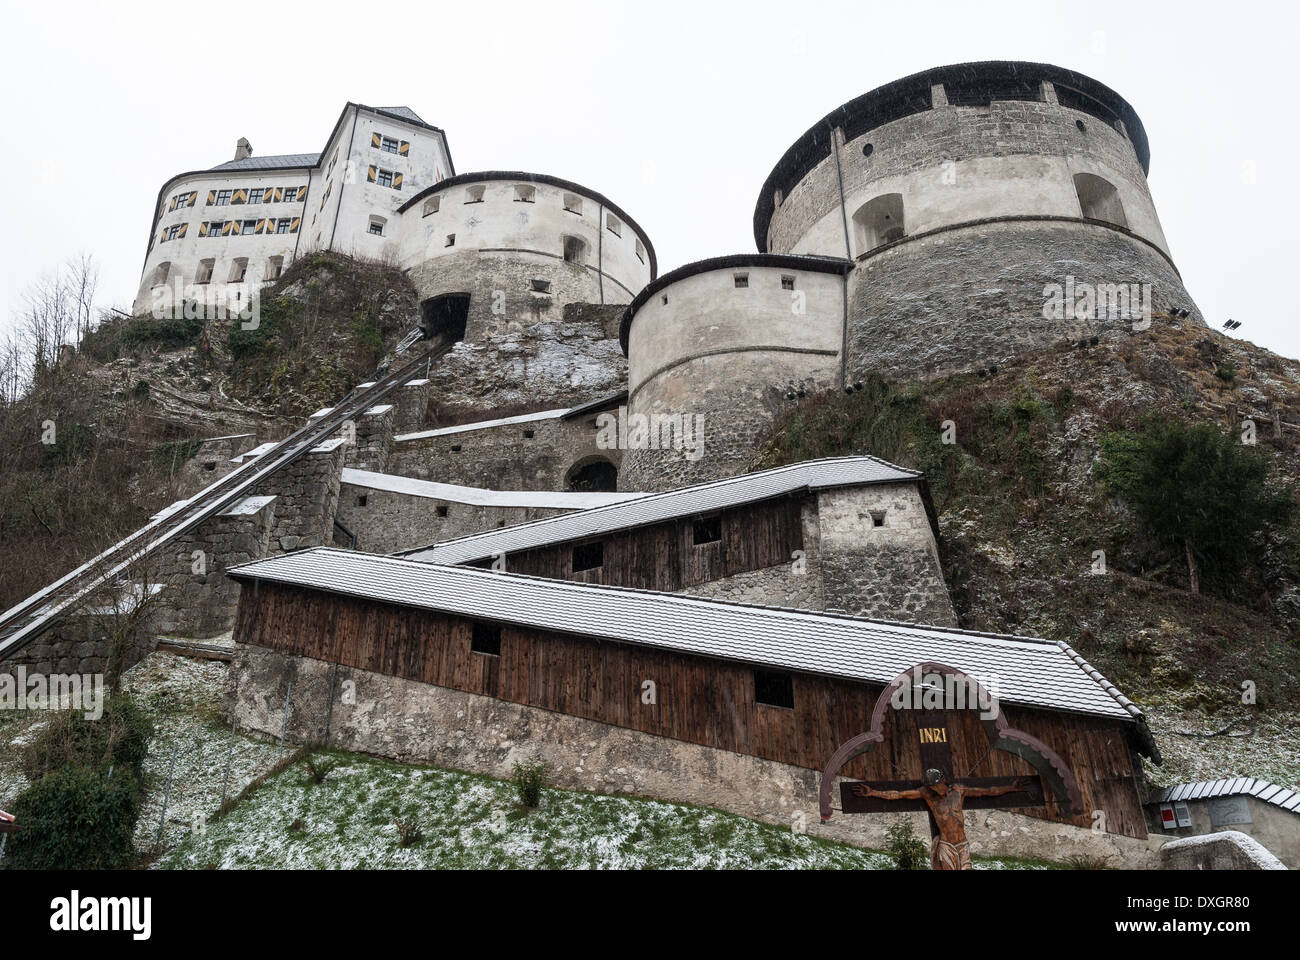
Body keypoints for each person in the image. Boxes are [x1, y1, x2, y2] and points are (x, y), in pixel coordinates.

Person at [850, 769, 1034, 870]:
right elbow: (897, 795)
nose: (934, 789)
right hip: (947, 846)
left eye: (935, 785)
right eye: (930, 786)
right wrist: (873, 792)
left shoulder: (958, 792)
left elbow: (989, 791)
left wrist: (1012, 788)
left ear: (942, 781)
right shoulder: (928, 796)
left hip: (963, 845)